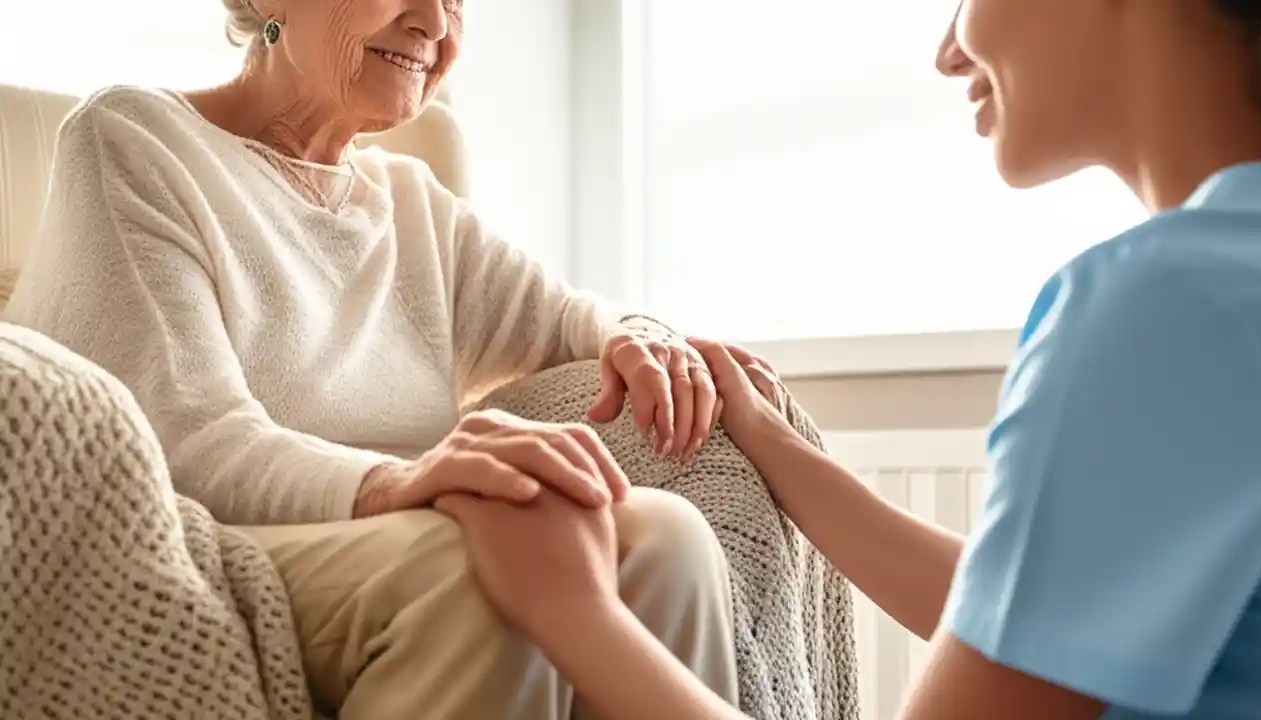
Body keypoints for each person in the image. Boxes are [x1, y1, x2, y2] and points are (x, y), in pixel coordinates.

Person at [437, 0, 1261, 717]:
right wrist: (773, 444)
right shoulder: (1241, 274)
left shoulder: (1169, 304)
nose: (949, 51)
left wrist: (571, 608)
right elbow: (1037, 610)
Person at [2, 0, 790, 716]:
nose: (434, 23)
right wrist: (395, 483)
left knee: (667, 537)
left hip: (408, 529)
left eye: (455, 0)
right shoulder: (134, 138)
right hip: (220, 539)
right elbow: (186, 436)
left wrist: (639, 333)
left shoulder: (408, 198)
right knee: (481, 572)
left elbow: (562, 316)